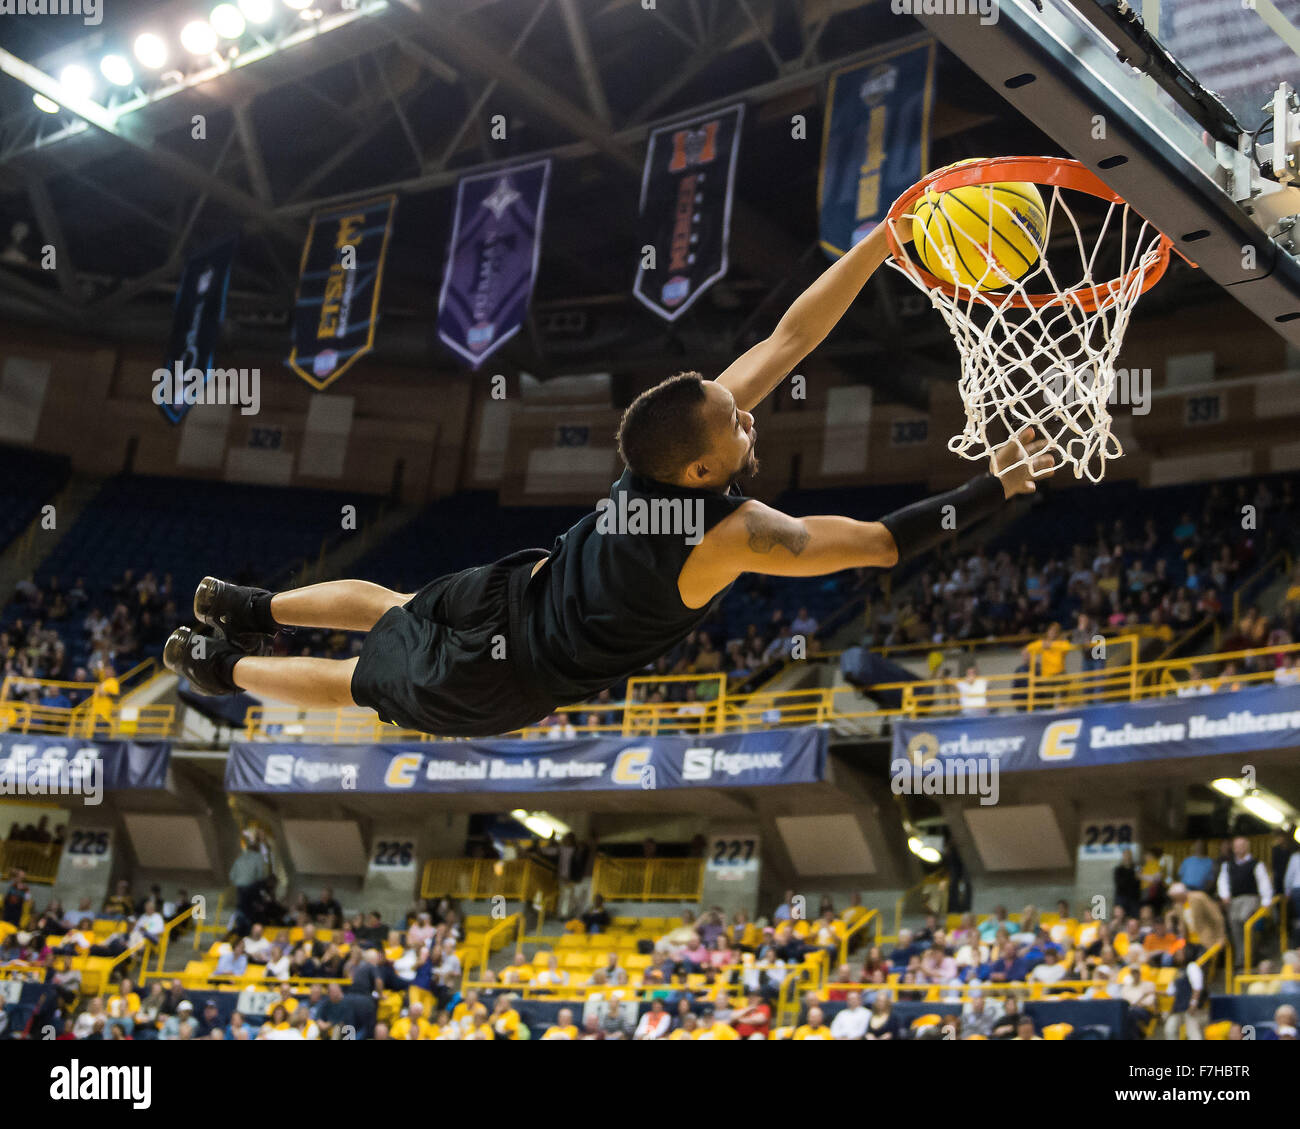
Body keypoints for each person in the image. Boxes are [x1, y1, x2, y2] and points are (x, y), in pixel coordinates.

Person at [164, 226, 1058, 737]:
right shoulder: (728, 535)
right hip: (506, 664)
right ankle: (222, 663)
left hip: (514, 595)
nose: (750, 414)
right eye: (737, 417)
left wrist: (885, 242)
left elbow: (789, 339)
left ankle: (245, 604)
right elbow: (881, 545)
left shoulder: (655, 453)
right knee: (356, 679)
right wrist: (997, 485)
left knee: (389, 609)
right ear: (701, 467)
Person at [1217, 836, 1274, 970]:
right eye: (1237, 846)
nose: (1239, 848)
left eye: (1242, 845)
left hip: (1251, 898)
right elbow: (1222, 881)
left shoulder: (1256, 864)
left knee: (1246, 920)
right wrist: (1225, 895)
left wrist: (1266, 900)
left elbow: (1263, 882)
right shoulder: (1228, 865)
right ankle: (1240, 959)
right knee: (1234, 926)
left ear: (1247, 847)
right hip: (1234, 900)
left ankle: (1249, 957)